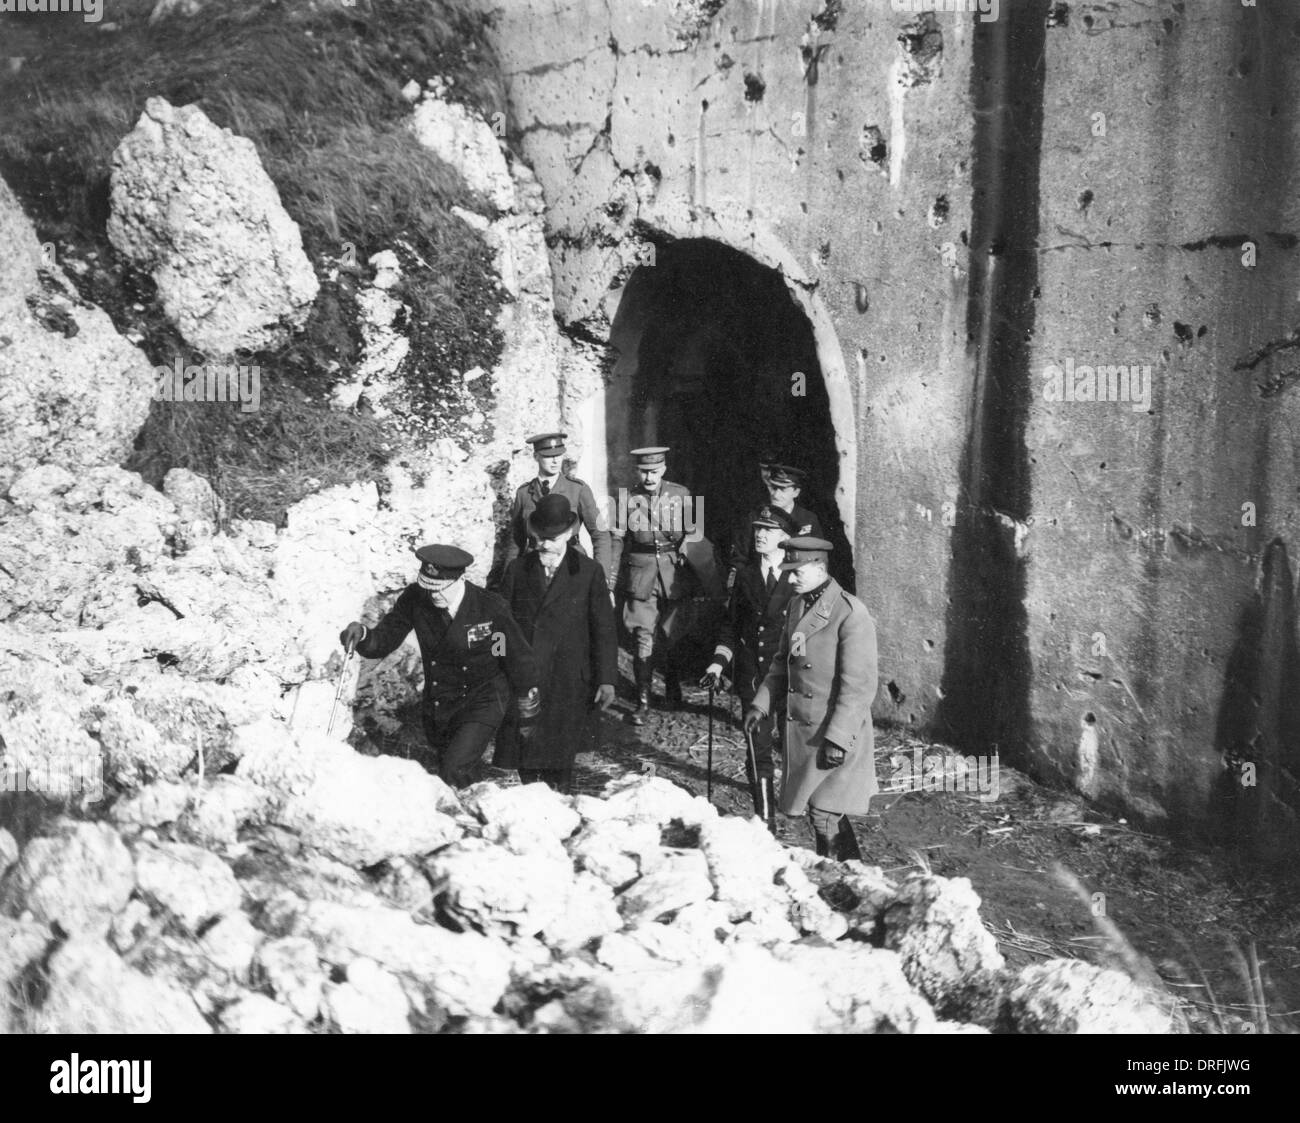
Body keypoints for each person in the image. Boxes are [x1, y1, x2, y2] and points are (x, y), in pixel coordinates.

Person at [339, 544, 540, 788]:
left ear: (460, 579)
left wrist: (527, 702)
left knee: (453, 768)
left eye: (440, 588)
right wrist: (361, 634)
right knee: (456, 769)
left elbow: (512, 655)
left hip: (483, 700)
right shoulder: (416, 598)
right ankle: (473, 809)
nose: (434, 595)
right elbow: (386, 638)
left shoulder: (490, 607)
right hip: (441, 704)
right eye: (428, 588)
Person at [743, 537, 877, 861]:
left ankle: (836, 890)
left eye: (796, 572)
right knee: (823, 811)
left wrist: (838, 740)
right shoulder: (798, 605)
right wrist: (761, 703)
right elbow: (781, 662)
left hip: (833, 732)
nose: (790, 579)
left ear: (819, 568)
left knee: (824, 812)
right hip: (804, 733)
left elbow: (857, 688)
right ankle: (854, 877)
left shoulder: (849, 613)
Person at [496, 494, 618, 793]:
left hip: (569, 679)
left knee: (560, 758)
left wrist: (606, 679)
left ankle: (560, 804)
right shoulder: (517, 570)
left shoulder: (588, 572)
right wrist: (496, 665)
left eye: (553, 538)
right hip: (526, 676)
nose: (545, 545)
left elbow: (603, 629)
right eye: (540, 538)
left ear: (569, 534)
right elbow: (500, 625)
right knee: (525, 750)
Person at [699, 504, 798, 833]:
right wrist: (717, 663)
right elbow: (731, 626)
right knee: (758, 749)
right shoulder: (744, 575)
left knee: (794, 744)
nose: (759, 535)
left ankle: (812, 813)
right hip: (752, 675)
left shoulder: (799, 576)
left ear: (784, 537)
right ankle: (766, 823)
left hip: (790, 678)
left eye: (768, 530)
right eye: (757, 529)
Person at [608, 446, 696, 725]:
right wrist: (610, 579)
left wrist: (687, 547)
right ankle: (643, 700)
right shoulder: (625, 498)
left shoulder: (681, 494)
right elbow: (617, 540)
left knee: (671, 633)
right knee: (642, 635)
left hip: (673, 572)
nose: (649, 477)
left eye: (654, 472)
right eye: (644, 471)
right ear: (637, 471)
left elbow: (696, 531)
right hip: (640, 572)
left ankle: (672, 689)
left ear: (664, 470)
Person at [501, 432, 610, 581]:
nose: (554, 461)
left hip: (572, 565)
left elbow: (600, 534)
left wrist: (601, 579)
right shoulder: (524, 493)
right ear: (536, 457)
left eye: (558, 455)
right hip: (534, 565)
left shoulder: (578, 489)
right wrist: (508, 580)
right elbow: (516, 541)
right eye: (547, 456)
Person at [730, 462, 823, 575]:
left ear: (796, 492)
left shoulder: (808, 519)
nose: (776, 494)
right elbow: (741, 557)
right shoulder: (754, 517)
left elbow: (818, 558)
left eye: (783, 490)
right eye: (774, 488)